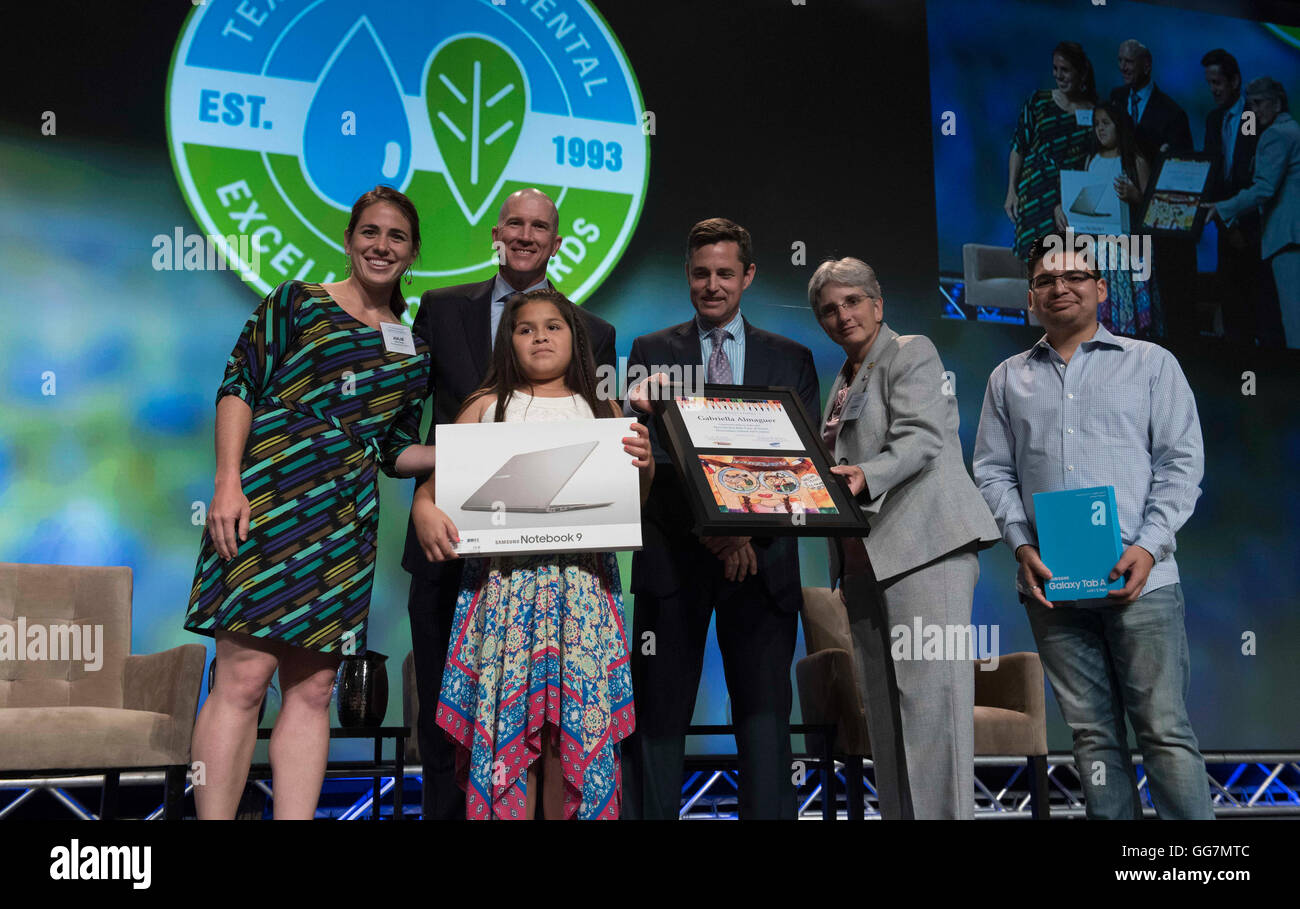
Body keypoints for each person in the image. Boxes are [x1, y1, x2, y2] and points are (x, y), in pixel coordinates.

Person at [185, 186, 436, 819]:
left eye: (397, 237)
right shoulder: (297, 300)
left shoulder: (414, 350)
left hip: (344, 522)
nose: (382, 246)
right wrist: (227, 481)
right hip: (267, 499)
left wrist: (472, 456)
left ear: (413, 253)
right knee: (244, 680)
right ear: (349, 239)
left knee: (316, 688)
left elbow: (397, 450)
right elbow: (239, 383)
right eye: (370, 232)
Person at [973, 232, 1212, 820]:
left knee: (1163, 731)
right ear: (1031, 298)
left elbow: (1181, 465)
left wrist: (1149, 548)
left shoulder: (1151, 364)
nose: (1060, 287)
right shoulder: (1006, 378)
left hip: (1142, 582)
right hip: (1054, 588)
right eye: (1046, 280)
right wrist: (1020, 546)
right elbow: (992, 472)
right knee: (1093, 738)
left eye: (1075, 277)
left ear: (1102, 289)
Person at [401, 188, 617, 819]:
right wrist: (422, 500)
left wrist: (642, 458)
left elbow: (613, 468)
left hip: (573, 584)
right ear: (496, 233)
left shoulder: (595, 333)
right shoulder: (440, 309)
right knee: (457, 725)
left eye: (539, 227)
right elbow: (406, 416)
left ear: (556, 241)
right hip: (465, 562)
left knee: (562, 734)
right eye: (515, 224)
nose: (526, 235)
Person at [623, 217, 819, 820]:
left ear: (748, 276)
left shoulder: (792, 358)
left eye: (725, 273)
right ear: (687, 275)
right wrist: (715, 532)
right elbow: (649, 461)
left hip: (763, 563)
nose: (713, 285)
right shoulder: (651, 352)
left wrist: (742, 533)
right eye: (702, 273)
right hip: (674, 560)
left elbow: (803, 464)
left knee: (764, 722)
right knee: (657, 719)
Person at [809, 257, 1000, 819]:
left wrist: (867, 475)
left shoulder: (911, 352)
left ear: (878, 304)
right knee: (887, 719)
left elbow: (923, 436)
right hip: (865, 562)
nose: (842, 315)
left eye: (852, 301)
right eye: (829, 309)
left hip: (925, 551)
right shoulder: (843, 379)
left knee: (933, 709)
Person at [1109, 39, 1197, 344]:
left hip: (1158, 233)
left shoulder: (1173, 114)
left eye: (1129, 61)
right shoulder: (1115, 100)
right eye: (1120, 60)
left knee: (1163, 305)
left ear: (1146, 65)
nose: (1123, 67)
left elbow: (1179, 180)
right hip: (1119, 223)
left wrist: (1142, 197)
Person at [1206, 78, 1300, 350]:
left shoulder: (1276, 135)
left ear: (1277, 103)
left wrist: (1222, 207)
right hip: (1289, 237)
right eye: (1251, 105)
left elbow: (1264, 188)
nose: (1254, 111)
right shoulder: (1291, 130)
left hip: (1287, 238)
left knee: (1294, 324)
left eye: (1259, 104)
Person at [1055, 102, 1161, 338]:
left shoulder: (1135, 161)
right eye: (1096, 124)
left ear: (1119, 126)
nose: (1100, 129)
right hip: (1096, 246)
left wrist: (1135, 195)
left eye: (1106, 123)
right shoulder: (1092, 160)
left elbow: (1152, 210)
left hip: (1126, 247)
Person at [1005, 41, 1098, 263]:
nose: (1059, 75)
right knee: (1033, 262)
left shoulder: (1094, 112)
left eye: (1065, 70)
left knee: (1065, 263)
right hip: (1034, 194)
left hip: (1069, 199)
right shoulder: (1038, 101)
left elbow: (1091, 163)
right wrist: (1011, 191)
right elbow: (1019, 146)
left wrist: (1070, 201)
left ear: (1080, 72)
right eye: (1055, 69)